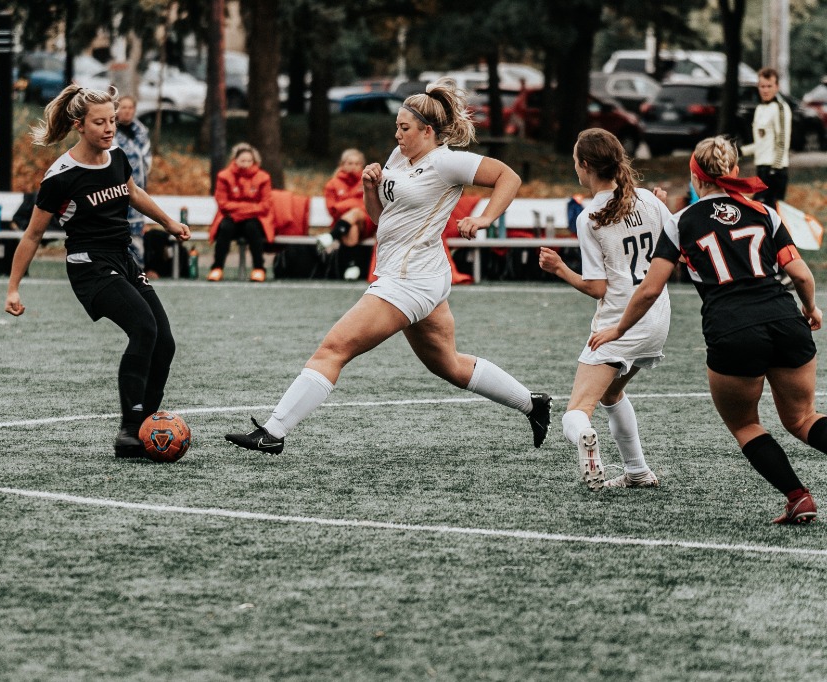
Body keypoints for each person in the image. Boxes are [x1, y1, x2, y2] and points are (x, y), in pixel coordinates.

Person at [225, 78, 551, 454]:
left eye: (404, 127)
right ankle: (533, 404)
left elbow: (509, 177)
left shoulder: (447, 161)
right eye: (396, 126)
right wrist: (368, 188)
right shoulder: (400, 157)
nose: (396, 134)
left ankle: (273, 431)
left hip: (410, 280)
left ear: (428, 132)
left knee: (333, 349)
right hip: (416, 275)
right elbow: (380, 219)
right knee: (449, 365)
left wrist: (483, 219)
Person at [590, 135, 823, 524]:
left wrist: (618, 329)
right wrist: (810, 309)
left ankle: (798, 496)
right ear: (734, 171)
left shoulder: (682, 222)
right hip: (785, 321)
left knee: (747, 424)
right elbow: (800, 273)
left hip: (733, 330)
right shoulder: (765, 212)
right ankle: (797, 496)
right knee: (802, 419)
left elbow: (649, 289)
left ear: (695, 177)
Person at [4, 84, 191, 459]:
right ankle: (129, 430)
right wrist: (13, 289)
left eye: (112, 121)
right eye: (100, 123)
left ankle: (146, 425)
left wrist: (168, 222)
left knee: (164, 342)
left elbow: (132, 193)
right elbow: (34, 234)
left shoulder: (117, 156)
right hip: (88, 265)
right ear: (79, 125)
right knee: (143, 328)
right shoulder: (61, 176)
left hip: (122, 258)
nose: (110, 129)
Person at [539, 128, 672, 491]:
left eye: (575, 163)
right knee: (612, 394)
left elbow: (598, 287)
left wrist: (559, 269)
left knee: (576, 412)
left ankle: (586, 440)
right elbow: (674, 242)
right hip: (657, 318)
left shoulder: (590, 217)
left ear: (585, 167)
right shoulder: (648, 199)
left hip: (619, 323)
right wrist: (662, 205)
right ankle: (638, 472)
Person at [207, 143, 273, 282]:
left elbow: (265, 205)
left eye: (249, 161)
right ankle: (217, 267)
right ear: (235, 160)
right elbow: (223, 204)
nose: (246, 164)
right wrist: (249, 208)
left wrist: (239, 211)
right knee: (225, 227)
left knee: (252, 227)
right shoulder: (224, 176)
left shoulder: (263, 177)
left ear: (255, 161)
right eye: (242, 160)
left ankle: (259, 268)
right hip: (230, 219)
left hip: (253, 220)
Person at [322, 148, 376, 280]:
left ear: (363, 166)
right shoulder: (332, 184)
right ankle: (352, 266)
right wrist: (354, 203)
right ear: (342, 165)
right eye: (350, 163)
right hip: (343, 224)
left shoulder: (368, 181)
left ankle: (331, 236)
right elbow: (332, 209)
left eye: (357, 164)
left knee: (357, 212)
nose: (354, 167)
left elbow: (370, 206)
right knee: (352, 226)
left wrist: (346, 205)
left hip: (367, 223)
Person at [741, 67, 791, 208]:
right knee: (760, 211)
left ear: (777, 87)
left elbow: (782, 142)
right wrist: (741, 151)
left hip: (775, 170)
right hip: (762, 168)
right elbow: (761, 143)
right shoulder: (760, 109)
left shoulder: (780, 108)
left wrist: (774, 170)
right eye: (762, 86)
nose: (765, 90)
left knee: (766, 211)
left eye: (769, 86)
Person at [113, 94, 153, 269]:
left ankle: (137, 268)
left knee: (136, 232)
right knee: (118, 230)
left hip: (137, 188)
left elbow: (147, 158)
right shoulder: (110, 131)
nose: (127, 111)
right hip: (115, 190)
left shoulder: (141, 131)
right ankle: (118, 267)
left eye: (130, 108)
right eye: (124, 107)